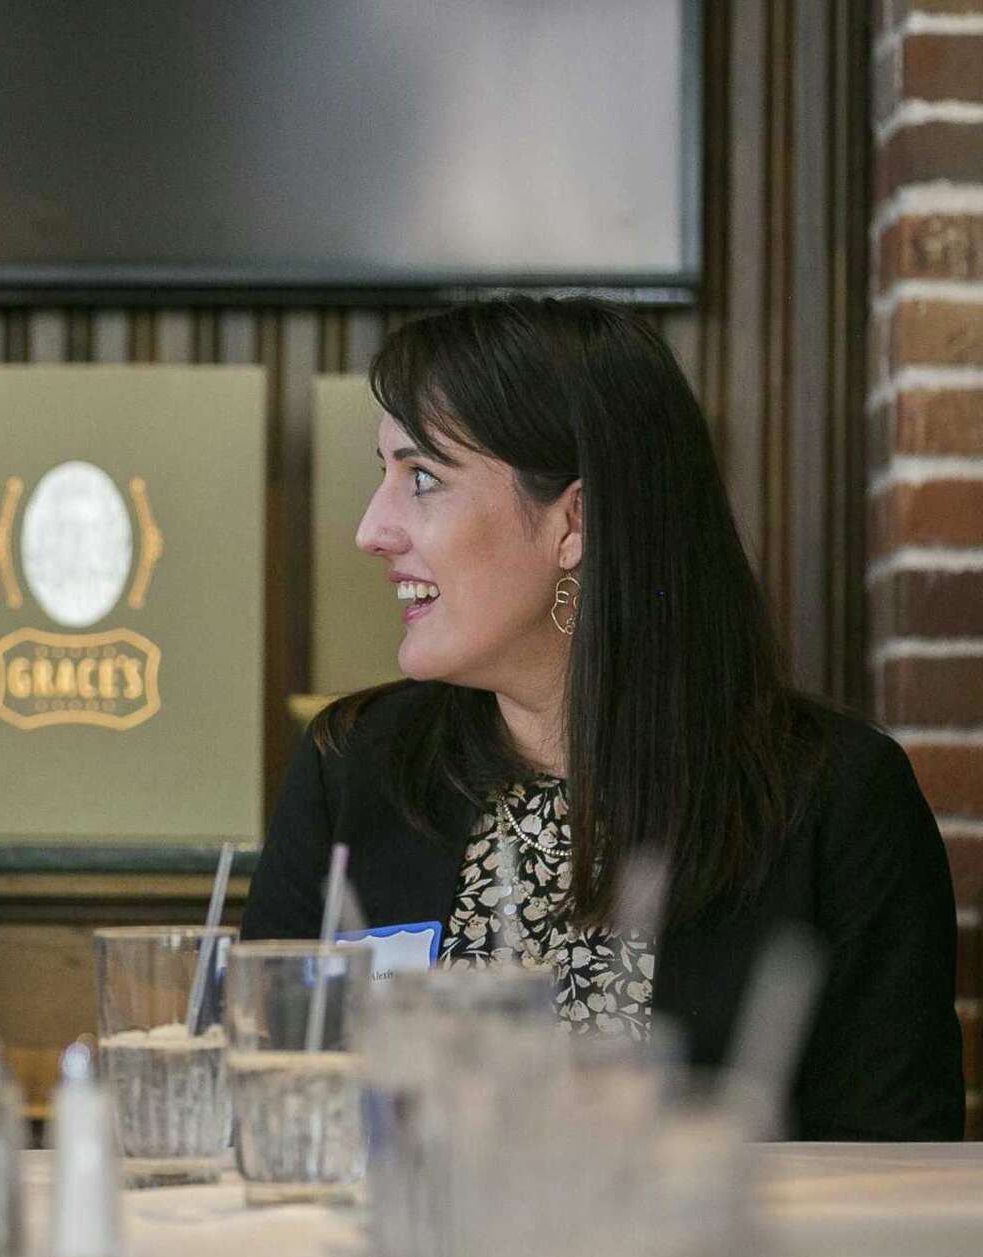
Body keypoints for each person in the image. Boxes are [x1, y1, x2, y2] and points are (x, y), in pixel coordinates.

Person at [242, 296, 962, 1141]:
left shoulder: (834, 799)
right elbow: (264, 1109)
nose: (372, 529)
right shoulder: (352, 767)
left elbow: (890, 1172)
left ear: (575, 522)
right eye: (383, 474)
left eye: (422, 478)